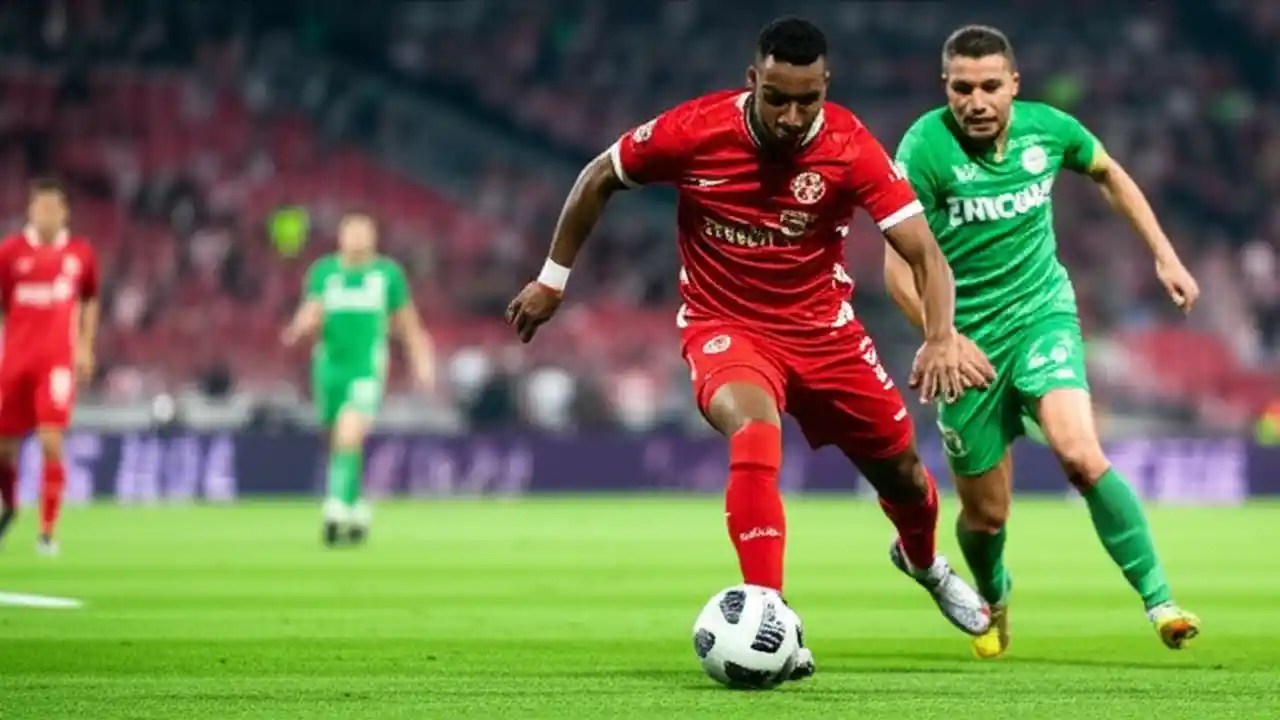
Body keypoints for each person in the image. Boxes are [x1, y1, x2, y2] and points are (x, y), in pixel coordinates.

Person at [506, 17, 996, 679]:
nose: (793, 116)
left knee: (903, 473)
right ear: (752, 83)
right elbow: (599, 176)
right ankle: (773, 618)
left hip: (824, 332)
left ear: (826, 87)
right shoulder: (694, 131)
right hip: (725, 324)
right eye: (777, 99)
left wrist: (941, 336)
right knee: (755, 429)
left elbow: (925, 254)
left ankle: (924, 563)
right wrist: (551, 279)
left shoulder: (851, 147)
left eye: (808, 100)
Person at [887, 25, 1203, 659]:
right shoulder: (923, 148)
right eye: (961, 88)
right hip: (965, 346)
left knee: (1081, 456)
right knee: (987, 517)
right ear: (944, 87)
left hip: (1041, 317)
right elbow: (897, 265)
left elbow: (1110, 174)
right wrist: (941, 337)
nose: (976, 102)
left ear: (1014, 86)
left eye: (990, 87)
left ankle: (1160, 602)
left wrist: (1166, 257)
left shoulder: (1049, 129)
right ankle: (994, 591)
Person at [282, 212, 435, 546]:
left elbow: (408, 323)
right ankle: (355, 506)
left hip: (366, 368)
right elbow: (311, 310)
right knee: (337, 439)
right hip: (328, 368)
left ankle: (336, 506)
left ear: (374, 237)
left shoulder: (387, 275)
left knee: (350, 432)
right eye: (350, 232)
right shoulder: (324, 272)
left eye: (363, 232)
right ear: (340, 237)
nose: (356, 238)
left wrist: (422, 360)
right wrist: (298, 329)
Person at [0, 178, 99, 556]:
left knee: (50, 440)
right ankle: (10, 506)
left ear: (65, 212)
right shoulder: (9, 254)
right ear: (30, 211)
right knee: (3, 450)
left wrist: (85, 346)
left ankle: (46, 531)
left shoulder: (80, 255)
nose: (46, 215)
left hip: (55, 363)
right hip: (14, 362)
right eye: (40, 208)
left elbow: (90, 299)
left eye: (53, 208)